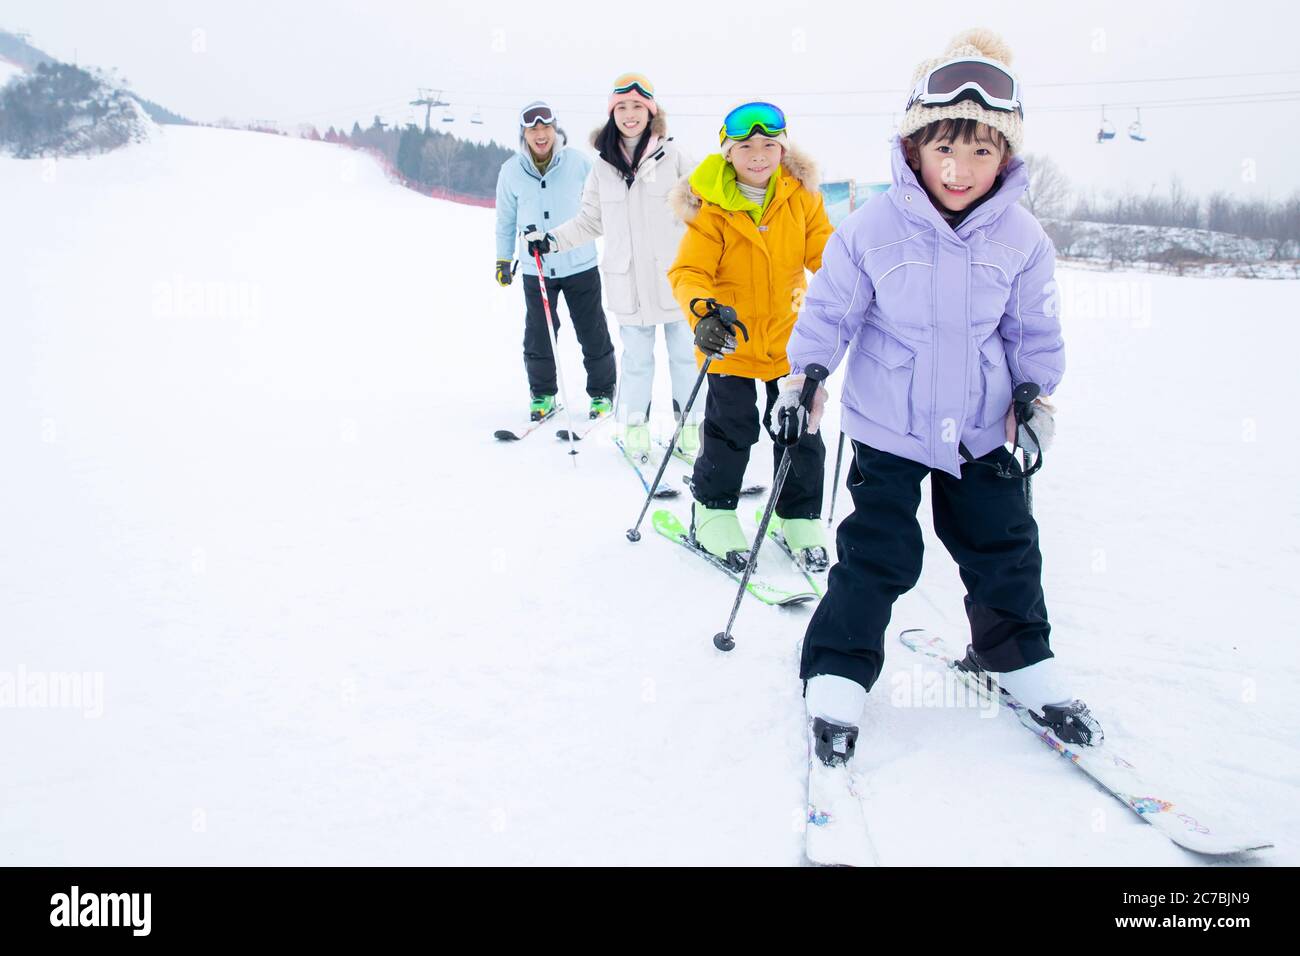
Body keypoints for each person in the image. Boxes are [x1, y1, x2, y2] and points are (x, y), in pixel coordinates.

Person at [781, 29, 1100, 768]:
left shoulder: (1022, 237)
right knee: (878, 554)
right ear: (915, 146)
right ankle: (837, 668)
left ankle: (1014, 660)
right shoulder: (871, 228)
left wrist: (1033, 398)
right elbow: (830, 313)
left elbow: (1032, 330)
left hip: (984, 429)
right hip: (890, 427)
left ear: (1005, 157)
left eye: (982, 151)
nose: (960, 169)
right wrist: (807, 378)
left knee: (1004, 549)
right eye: (944, 149)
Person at [666, 102, 834, 571]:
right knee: (730, 429)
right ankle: (712, 513)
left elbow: (827, 255)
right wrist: (703, 315)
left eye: (768, 145)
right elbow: (689, 271)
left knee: (799, 429)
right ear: (728, 153)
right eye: (745, 147)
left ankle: (797, 516)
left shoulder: (800, 196)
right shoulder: (712, 207)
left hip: (790, 343)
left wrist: (861, 292)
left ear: (783, 149)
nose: (758, 156)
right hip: (730, 340)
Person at [525, 74, 698, 461]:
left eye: (637, 106)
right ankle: (634, 433)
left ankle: (692, 432)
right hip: (629, 285)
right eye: (621, 107)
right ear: (612, 113)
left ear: (651, 111)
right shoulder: (602, 167)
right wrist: (551, 239)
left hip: (675, 280)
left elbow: (704, 210)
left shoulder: (677, 157)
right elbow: (589, 220)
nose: (630, 114)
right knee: (636, 362)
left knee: (686, 359)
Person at [494, 101, 616, 421]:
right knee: (539, 334)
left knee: (592, 331)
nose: (540, 134)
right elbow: (505, 220)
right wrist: (503, 259)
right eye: (533, 129)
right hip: (536, 269)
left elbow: (602, 209)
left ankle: (602, 394)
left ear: (555, 129)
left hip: (580, 264)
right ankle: (543, 395)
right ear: (524, 134)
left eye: (545, 128)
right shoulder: (511, 171)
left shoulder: (578, 163)